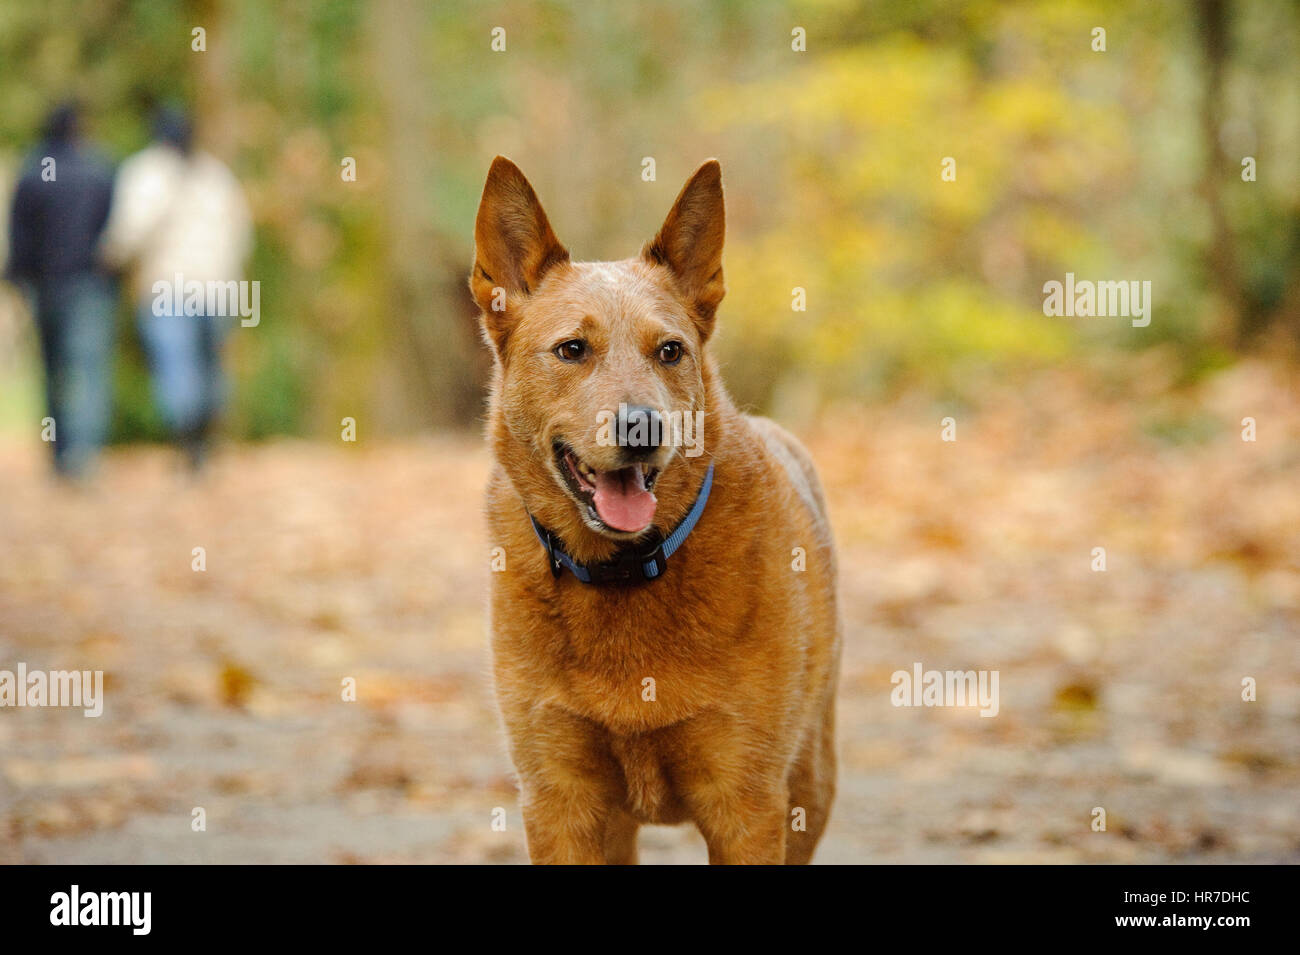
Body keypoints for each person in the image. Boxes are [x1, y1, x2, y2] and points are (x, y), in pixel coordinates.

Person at [99, 106, 252, 469]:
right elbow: (241, 231)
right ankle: (207, 431)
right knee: (211, 363)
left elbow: (130, 229)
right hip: (219, 284)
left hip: (168, 286)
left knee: (177, 362)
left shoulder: (146, 173)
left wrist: (110, 257)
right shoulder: (216, 175)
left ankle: (188, 434)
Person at [5, 102, 116, 478]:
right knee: (87, 367)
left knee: (54, 369)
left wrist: (17, 278)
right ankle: (83, 455)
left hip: (46, 285)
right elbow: (115, 228)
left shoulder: (34, 170)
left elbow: (18, 234)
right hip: (89, 284)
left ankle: (61, 452)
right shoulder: (98, 169)